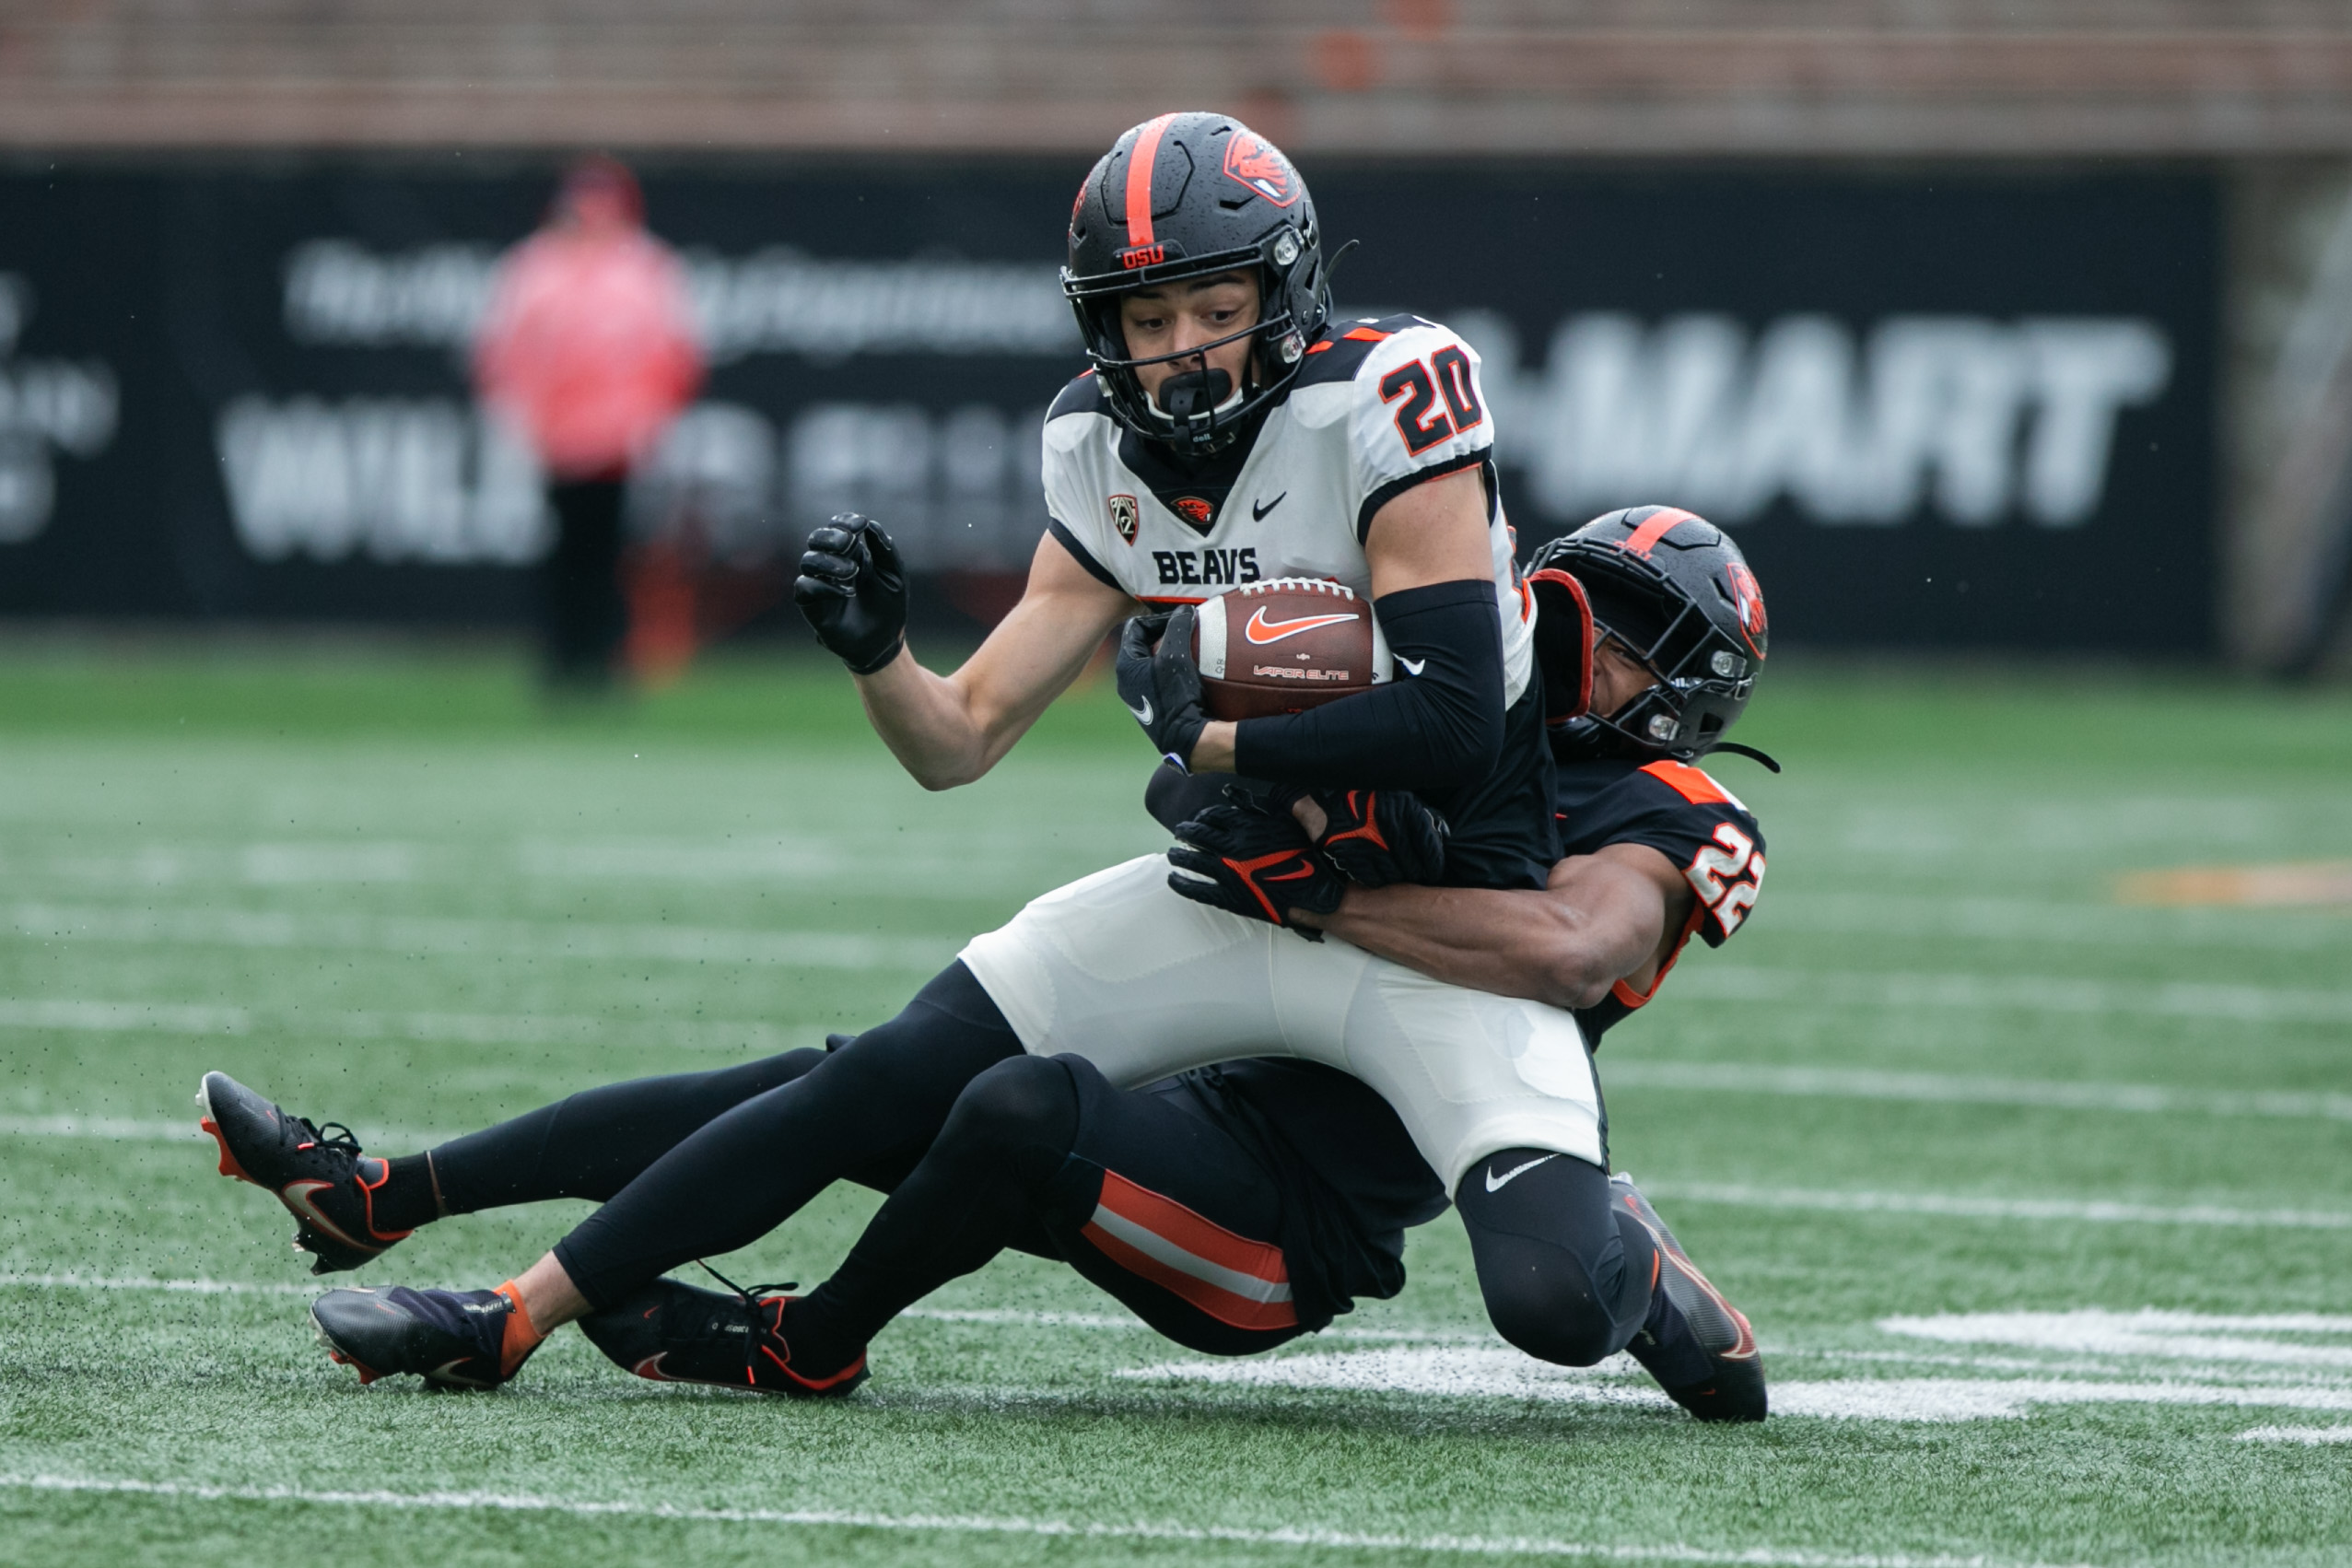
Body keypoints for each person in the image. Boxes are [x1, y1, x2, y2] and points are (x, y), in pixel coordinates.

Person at [200, 507, 1777, 1422]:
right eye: (1573, 594)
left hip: (1289, 1221)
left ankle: (810, 1341)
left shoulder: (1675, 805)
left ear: (1683, 694)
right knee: (856, 1082)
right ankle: (384, 1192)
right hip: (1204, 1081)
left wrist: (1320, 889)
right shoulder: (1440, 686)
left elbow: (1571, 945)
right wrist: (1220, 729)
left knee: (1027, 1110)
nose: (1567, 630)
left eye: (1619, 632)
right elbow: (1204, 799)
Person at [474, 155, 704, 690]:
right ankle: (563, 654)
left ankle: (604, 655)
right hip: (554, 442)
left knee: (608, 553)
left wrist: (648, 422)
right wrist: (519, 420)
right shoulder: (535, 269)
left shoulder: (644, 271)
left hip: (617, 444)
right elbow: (502, 354)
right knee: (563, 552)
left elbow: (675, 356)